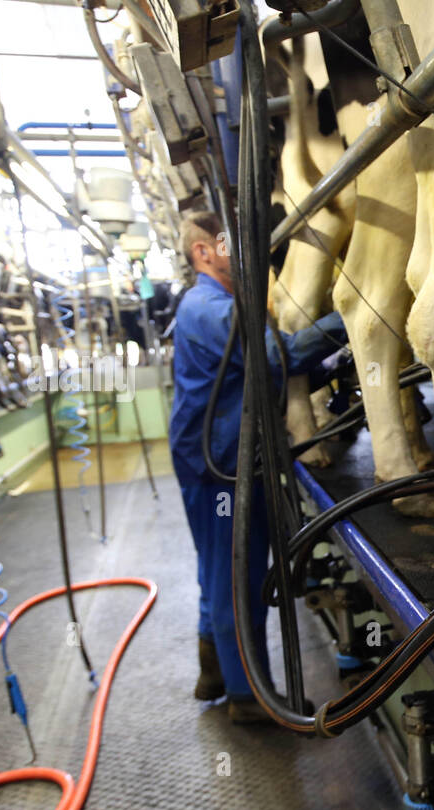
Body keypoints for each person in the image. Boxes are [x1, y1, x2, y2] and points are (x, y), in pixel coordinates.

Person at [170, 210, 347, 724]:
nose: (245, 254)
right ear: (202, 252)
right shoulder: (208, 308)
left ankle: (215, 670)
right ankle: (250, 700)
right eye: (230, 244)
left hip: (213, 457)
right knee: (236, 579)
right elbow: (279, 356)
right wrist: (350, 316)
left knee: (216, 571)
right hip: (220, 468)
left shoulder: (217, 303)